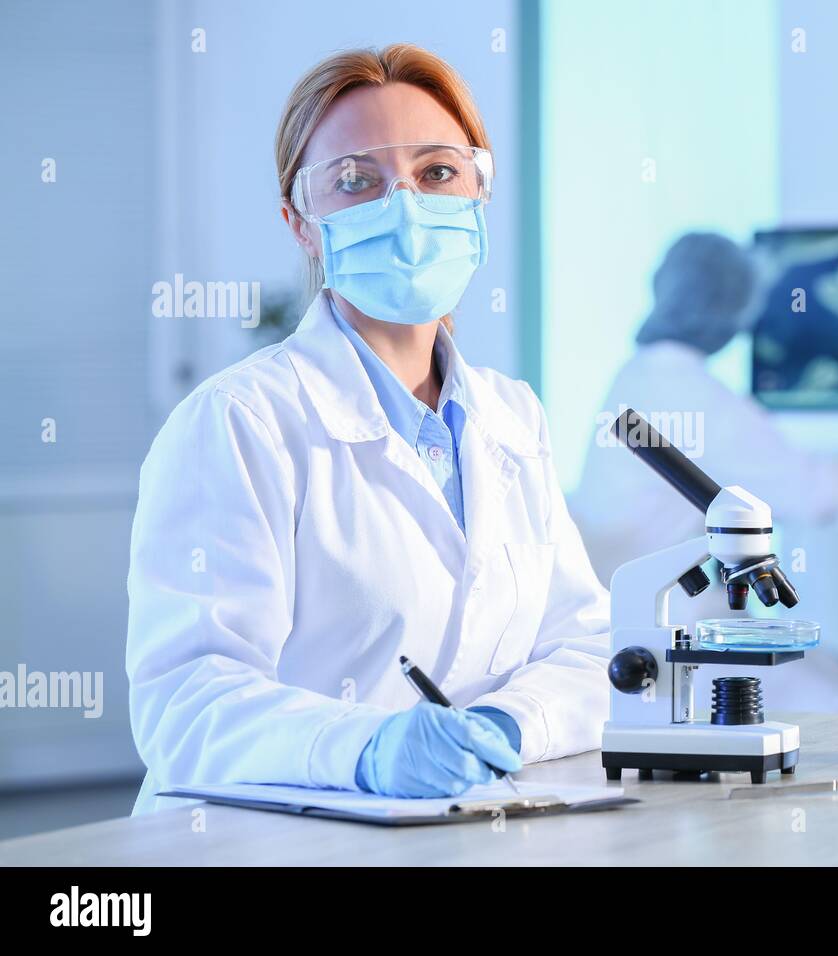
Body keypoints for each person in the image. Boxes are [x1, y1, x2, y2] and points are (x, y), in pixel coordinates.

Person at [125, 45, 609, 814]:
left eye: (437, 172)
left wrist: (506, 725)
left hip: (462, 827)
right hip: (262, 842)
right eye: (357, 181)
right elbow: (187, 704)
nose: (407, 206)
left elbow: (582, 646)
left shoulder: (511, 416)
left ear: (478, 194)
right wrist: (368, 750)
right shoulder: (239, 422)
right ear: (302, 225)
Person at [572, 232, 838, 585]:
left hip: (627, 591)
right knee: (825, 673)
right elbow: (808, 490)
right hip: (663, 611)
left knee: (820, 670)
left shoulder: (637, 373)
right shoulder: (703, 399)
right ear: (735, 310)